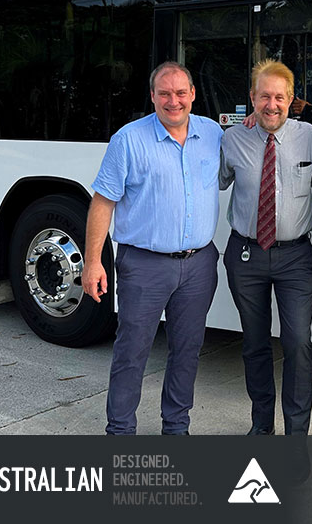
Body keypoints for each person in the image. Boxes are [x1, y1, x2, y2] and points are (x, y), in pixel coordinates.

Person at [83, 61, 224, 436]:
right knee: (132, 352)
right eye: (164, 93)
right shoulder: (128, 140)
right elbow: (103, 202)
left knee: (187, 350)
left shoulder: (213, 133)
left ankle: (176, 427)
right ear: (152, 96)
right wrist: (93, 261)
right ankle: (120, 432)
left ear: (193, 94)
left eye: (180, 93)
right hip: (144, 266)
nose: (173, 101)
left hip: (199, 265)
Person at [220, 59, 312, 436]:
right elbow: (215, 180)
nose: (272, 104)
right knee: (254, 343)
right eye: (264, 97)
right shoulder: (232, 139)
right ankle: (261, 426)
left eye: (279, 97)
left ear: (291, 99)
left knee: (297, 343)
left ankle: (296, 437)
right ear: (252, 98)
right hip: (245, 256)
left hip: (295, 258)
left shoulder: (310, 136)